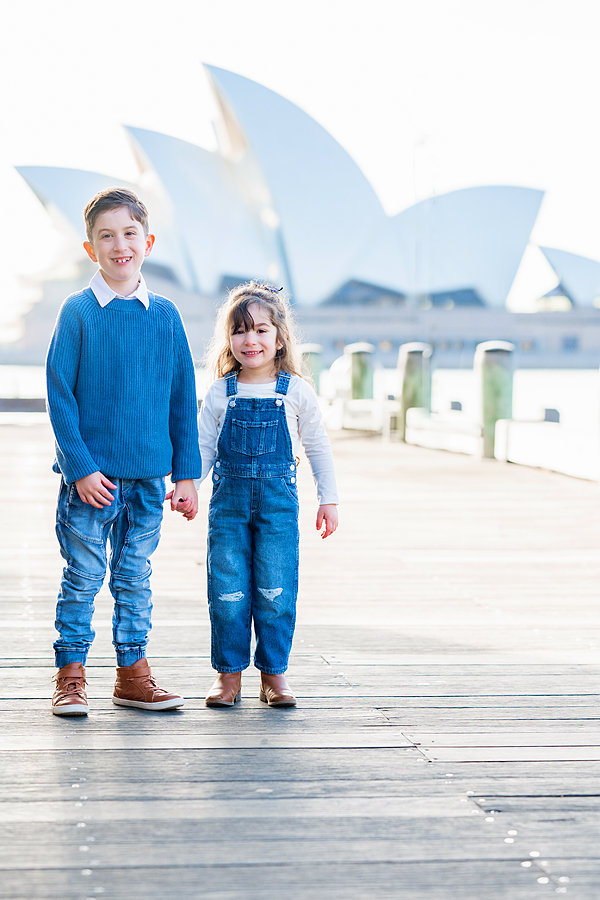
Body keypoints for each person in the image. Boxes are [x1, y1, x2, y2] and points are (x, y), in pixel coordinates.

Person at [46, 187, 201, 716]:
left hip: (147, 480)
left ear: (148, 242)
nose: (120, 245)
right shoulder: (79, 312)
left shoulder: (165, 316)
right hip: (89, 482)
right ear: (90, 249)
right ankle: (70, 675)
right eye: (106, 236)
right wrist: (80, 467)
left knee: (135, 576)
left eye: (129, 234)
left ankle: (133, 675)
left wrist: (186, 475)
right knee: (84, 575)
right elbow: (59, 394)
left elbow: (182, 397)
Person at [198, 282, 338, 708]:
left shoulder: (295, 390)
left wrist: (327, 499)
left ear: (279, 338)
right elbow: (204, 444)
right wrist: (188, 486)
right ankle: (229, 676)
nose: (250, 340)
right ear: (229, 339)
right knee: (227, 591)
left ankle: (274, 675)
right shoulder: (221, 391)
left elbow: (317, 446)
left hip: (279, 507)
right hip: (229, 508)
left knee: (276, 590)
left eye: (261, 330)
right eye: (240, 331)